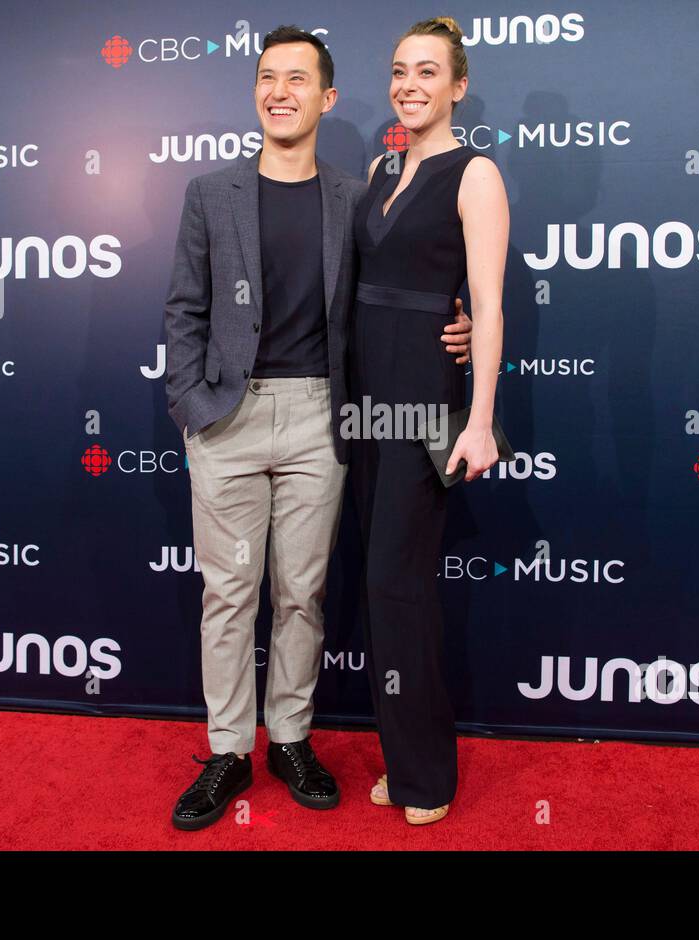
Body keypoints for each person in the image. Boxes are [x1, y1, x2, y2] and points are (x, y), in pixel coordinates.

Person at [162, 25, 473, 831]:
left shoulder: (356, 196)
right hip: (227, 419)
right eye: (268, 77)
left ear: (326, 97)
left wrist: (458, 324)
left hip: (320, 419)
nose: (280, 92)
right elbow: (184, 309)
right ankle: (229, 750)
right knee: (229, 595)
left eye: (298, 79)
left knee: (301, 595)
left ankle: (291, 739)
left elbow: (402, 282)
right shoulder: (210, 193)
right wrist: (193, 409)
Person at [351, 16, 507, 825]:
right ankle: (404, 758)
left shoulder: (475, 174)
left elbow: (488, 305)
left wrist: (479, 422)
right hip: (361, 403)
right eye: (399, 70)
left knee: (397, 583)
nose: (408, 85)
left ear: (458, 86)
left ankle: (427, 777)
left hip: (423, 405)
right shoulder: (381, 167)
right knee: (383, 588)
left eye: (427, 71)